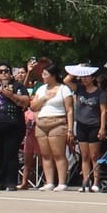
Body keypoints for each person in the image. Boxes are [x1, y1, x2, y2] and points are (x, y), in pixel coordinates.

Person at [29, 63, 73, 191]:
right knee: (45, 154)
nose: (43, 77)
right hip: (42, 122)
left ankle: (62, 182)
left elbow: (69, 110)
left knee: (58, 154)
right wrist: (44, 98)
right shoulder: (41, 89)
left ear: (53, 76)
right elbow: (33, 106)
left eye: (45, 74)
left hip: (57, 122)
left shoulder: (63, 89)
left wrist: (70, 129)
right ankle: (49, 182)